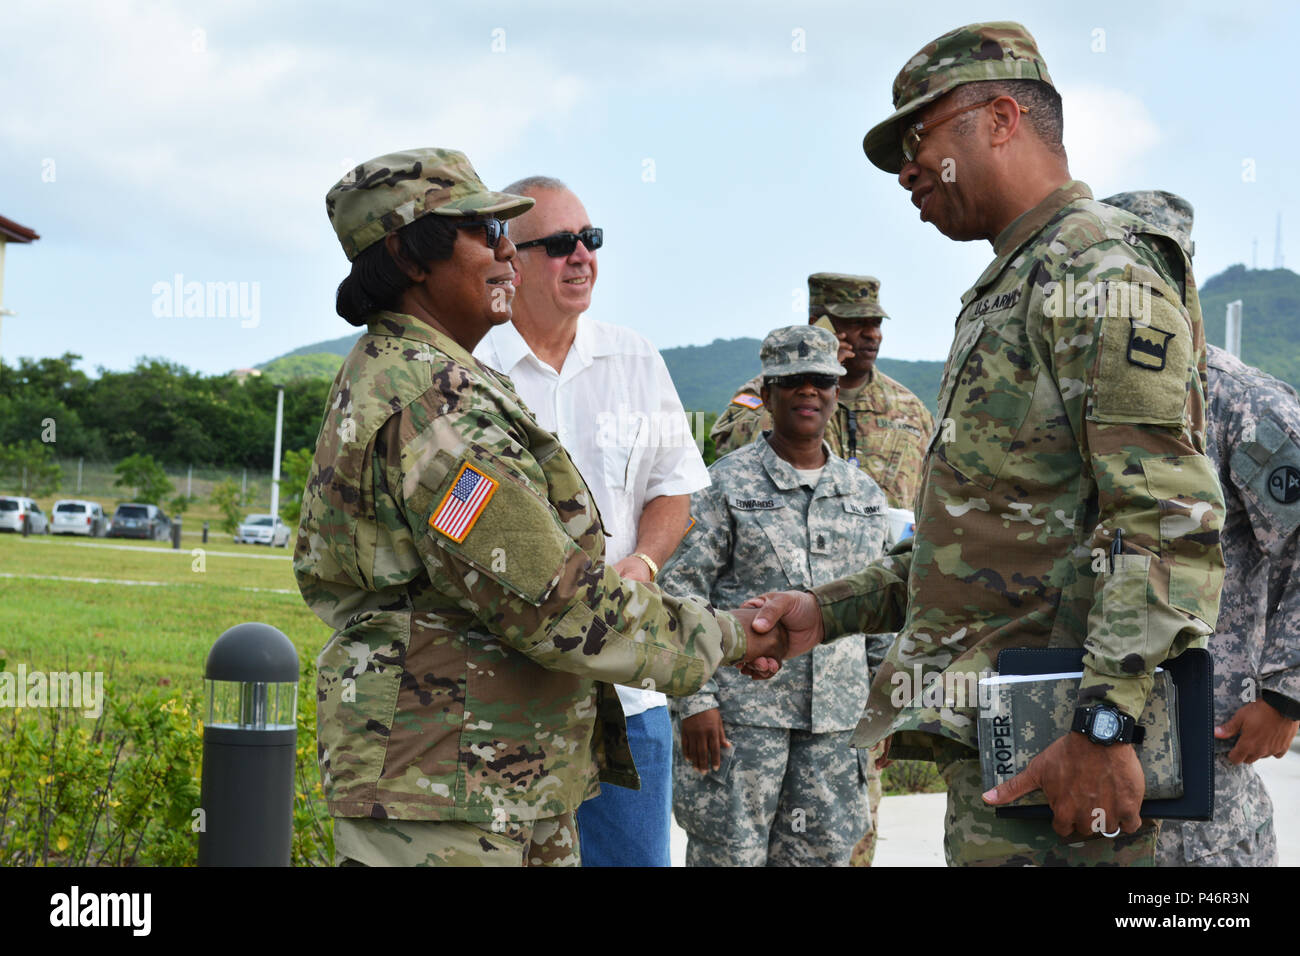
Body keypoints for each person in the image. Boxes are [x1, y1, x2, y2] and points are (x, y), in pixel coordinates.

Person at [746, 22, 1225, 866]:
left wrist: (1105, 724)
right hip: (1012, 748)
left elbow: (1167, 519)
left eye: (919, 137)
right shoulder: (1015, 283)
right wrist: (828, 612)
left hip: (1067, 757)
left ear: (1000, 118)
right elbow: (983, 539)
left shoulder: (1097, 274)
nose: (906, 169)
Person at [295, 148, 784, 867]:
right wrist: (735, 636)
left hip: (491, 776)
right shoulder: (431, 407)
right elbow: (557, 602)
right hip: (448, 794)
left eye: (507, 233)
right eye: (484, 233)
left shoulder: (434, 378)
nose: (506, 255)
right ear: (409, 257)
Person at [474, 175, 708, 867]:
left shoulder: (633, 358)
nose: (581, 257)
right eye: (558, 245)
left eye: (590, 240)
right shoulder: (471, 368)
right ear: (510, 261)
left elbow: (674, 491)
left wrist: (645, 564)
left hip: (624, 696)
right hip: (508, 700)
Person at [1102, 189, 1300, 867]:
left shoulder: (1240, 404)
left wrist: (1286, 692)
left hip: (1206, 756)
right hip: (1082, 747)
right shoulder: (1066, 407)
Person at [709, 272, 933, 866]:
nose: (866, 336)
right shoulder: (737, 456)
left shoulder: (900, 426)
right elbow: (689, 589)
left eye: (874, 324)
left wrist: (886, 703)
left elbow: (888, 587)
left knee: (841, 850)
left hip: (839, 708)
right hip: (748, 710)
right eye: (849, 324)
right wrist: (694, 701)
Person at [661, 325, 890, 866]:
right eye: (792, 382)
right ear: (767, 394)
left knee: (824, 856)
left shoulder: (863, 495)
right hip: (740, 725)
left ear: (836, 392)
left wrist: (885, 711)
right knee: (729, 857)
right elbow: (679, 594)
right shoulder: (723, 485)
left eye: (820, 381)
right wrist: (695, 703)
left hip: (837, 723)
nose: (808, 392)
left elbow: (881, 611)